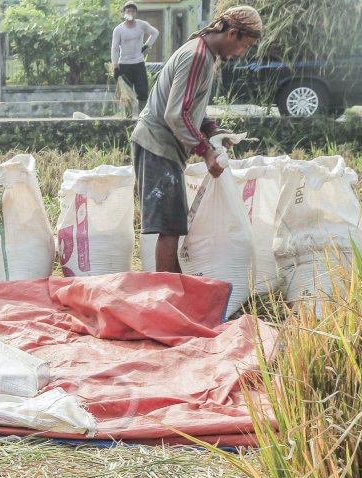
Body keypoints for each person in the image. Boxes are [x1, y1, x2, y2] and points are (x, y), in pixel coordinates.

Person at [131, 6, 262, 274]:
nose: (242, 54)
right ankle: (168, 298)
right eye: (244, 46)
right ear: (233, 33)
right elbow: (175, 113)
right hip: (157, 145)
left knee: (174, 226)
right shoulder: (198, 57)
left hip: (162, 146)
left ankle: (176, 291)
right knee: (169, 228)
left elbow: (189, 108)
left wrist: (212, 130)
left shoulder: (202, 53)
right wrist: (206, 152)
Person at [111, 2, 159, 112]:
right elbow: (114, 48)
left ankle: (142, 117)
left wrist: (146, 46)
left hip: (138, 63)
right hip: (124, 64)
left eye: (133, 11)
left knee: (142, 92)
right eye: (128, 11)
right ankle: (128, 118)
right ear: (124, 13)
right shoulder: (118, 29)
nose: (130, 13)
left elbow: (155, 33)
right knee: (127, 93)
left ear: (136, 13)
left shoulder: (142, 25)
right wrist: (115, 66)